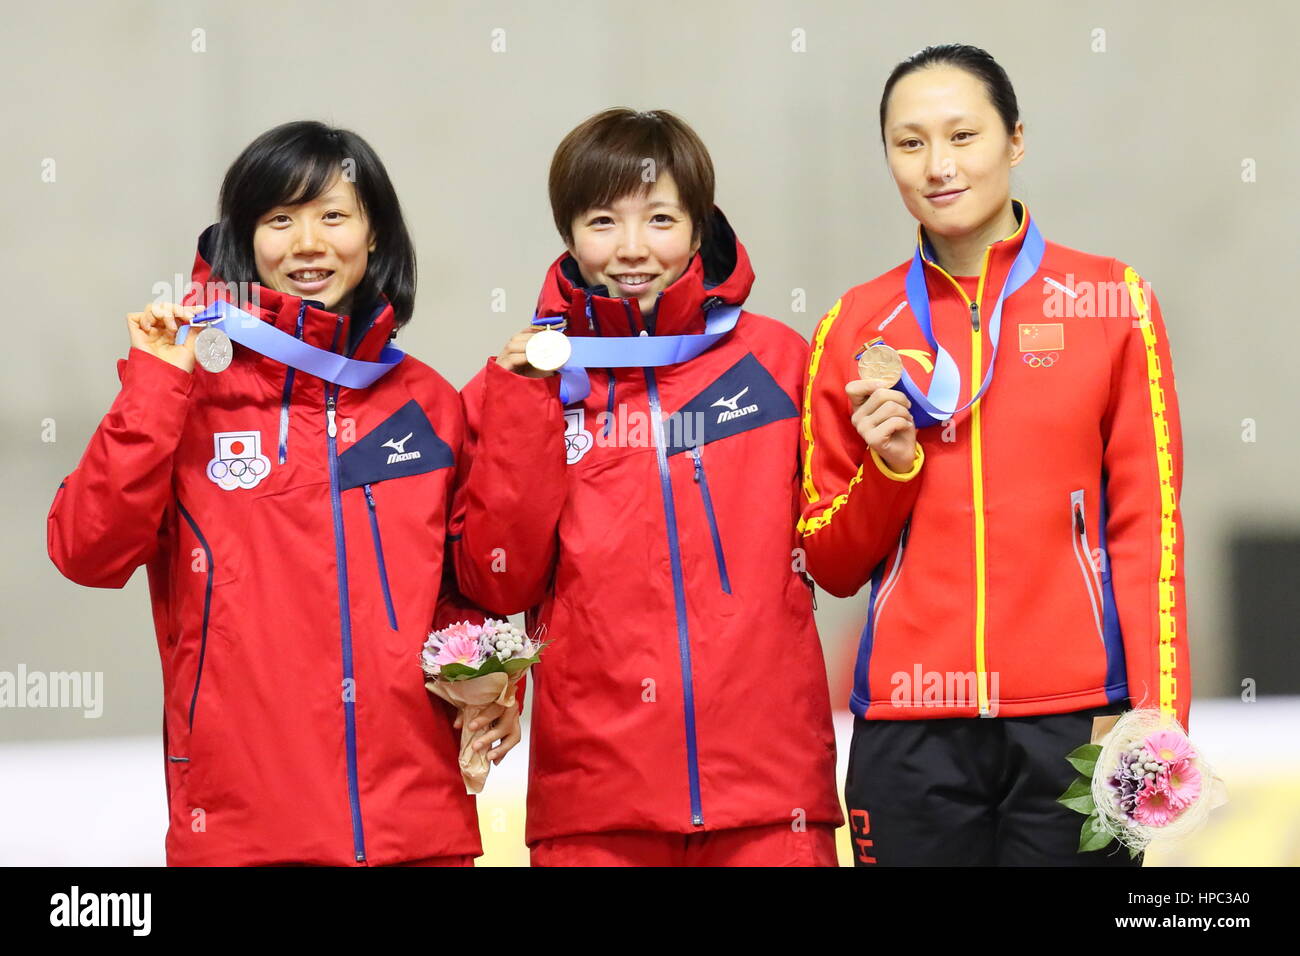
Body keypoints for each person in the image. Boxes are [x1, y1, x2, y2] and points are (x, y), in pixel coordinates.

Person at [47, 120, 517, 866]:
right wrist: (155, 386)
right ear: (245, 239)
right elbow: (86, 551)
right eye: (280, 219)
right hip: (244, 832)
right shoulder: (185, 389)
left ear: (374, 236)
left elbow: (454, 598)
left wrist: (487, 680)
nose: (307, 242)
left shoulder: (425, 403)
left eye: (333, 215)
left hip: (417, 829)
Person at [799, 44, 1192, 866]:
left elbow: (1147, 529)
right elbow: (829, 563)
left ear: (1015, 141)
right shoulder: (853, 326)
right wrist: (890, 467)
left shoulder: (1112, 304)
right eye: (910, 144)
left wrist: (1156, 719)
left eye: (963, 136)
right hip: (908, 729)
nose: (939, 166)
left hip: (1082, 719)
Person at [453, 108, 842, 866]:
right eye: (602, 221)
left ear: (700, 227)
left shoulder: (779, 362)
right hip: (594, 802)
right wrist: (517, 406)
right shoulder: (521, 381)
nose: (632, 249)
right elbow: (497, 580)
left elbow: (845, 543)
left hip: (771, 795)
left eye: (660, 218)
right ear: (568, 233)